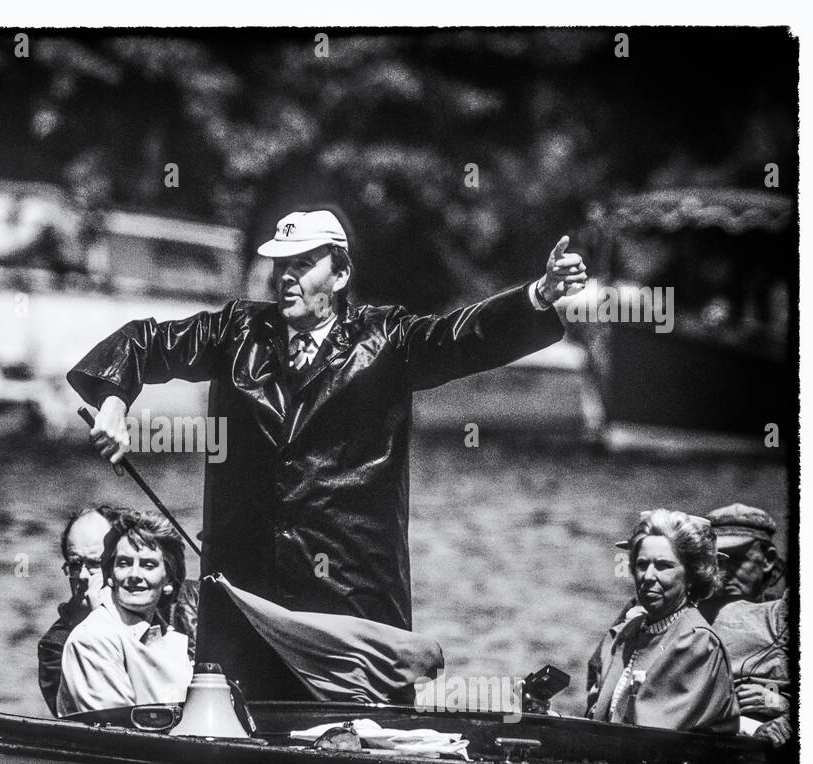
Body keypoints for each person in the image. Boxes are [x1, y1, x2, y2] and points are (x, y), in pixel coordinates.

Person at [68, 209, 585, 698]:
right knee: (232, 726)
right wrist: (114, 402)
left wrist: (537, 295)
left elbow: (459, 338)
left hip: (349, 594)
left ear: (339, 276)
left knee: (353, 730)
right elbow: (148, 341)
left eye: (301, 265)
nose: (285, 278)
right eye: (279, 266)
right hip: (243, 596)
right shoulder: (236, 330)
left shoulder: (387, 338)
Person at [586, 510, 738, 732]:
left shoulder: (698, 642)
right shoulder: (627, 633)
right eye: (641, 565)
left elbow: (651, 736)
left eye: (664, 566)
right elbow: (598, 720)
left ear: (692, 575)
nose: (648, 576)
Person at [37, 505, 199, 712]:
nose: (84, 576)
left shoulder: (180, 610)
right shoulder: (69, 642)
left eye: (94, 563)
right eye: (76, 565)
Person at [699, 503, 791, 744]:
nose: (723, 572)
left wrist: (781, 705)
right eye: (717, 560)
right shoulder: (675, 609)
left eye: (737, 560)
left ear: (768, 560)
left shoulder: (784, 617)